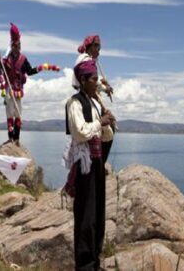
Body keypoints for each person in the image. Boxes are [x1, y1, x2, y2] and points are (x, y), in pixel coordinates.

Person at [64, 59, 115, 271]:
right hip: (85, 167)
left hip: (96, 164)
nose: (97, 83)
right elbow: (80, 131)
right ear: (83, 80)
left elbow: (104, 135)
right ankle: (85, 265)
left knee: (97, 214)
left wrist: (108, 124)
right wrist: (99, 123)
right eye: (94, 79)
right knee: (85, 216)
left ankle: (95, 261)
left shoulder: (93, 102)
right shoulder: (74, 103)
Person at [0, 23, 59, 145]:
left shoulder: (23, 59)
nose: (17, 47)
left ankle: (17, 138)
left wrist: (42, 67)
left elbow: (29, 71)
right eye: (15, 45)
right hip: (9, 90)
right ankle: (10, 138)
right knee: (9, 114)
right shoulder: (6, 60)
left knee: (18, 114)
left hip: (18, 91)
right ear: (12, 46)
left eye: (19, 45)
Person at [73, 35, 115, 165]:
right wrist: (104, 88)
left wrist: (104, 87)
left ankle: (99, 163)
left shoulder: (89, 60)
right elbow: (90, 81)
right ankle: (98, 164)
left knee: (108, 129)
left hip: (92, 97)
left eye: (99, 47)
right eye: (96, 46)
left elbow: (94, 82)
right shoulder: (84, 60)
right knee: (106, 128)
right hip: (87, 98)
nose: (98, 50)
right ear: (90, 47)